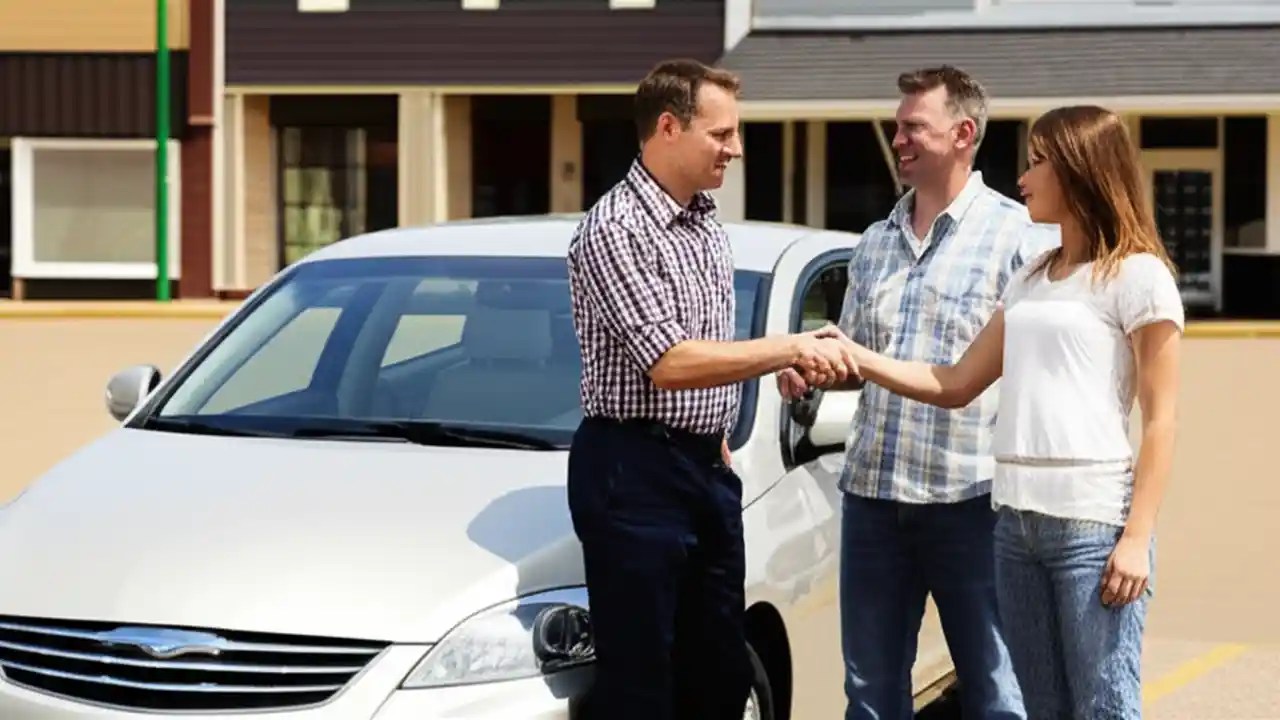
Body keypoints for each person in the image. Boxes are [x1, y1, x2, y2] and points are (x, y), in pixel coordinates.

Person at [813, 105, 1183, 719]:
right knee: (1041, 706)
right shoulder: (1032, 277)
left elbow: (1162, 419)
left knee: (1103, 707)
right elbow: (955, 381)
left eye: (1038, 163)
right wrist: (856, 357)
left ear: (1081, 171)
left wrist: (1136, 538)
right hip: (1015, 526)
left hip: (1091, 529)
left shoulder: (1139, 278)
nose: (1023, 177)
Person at [564, 58, 857, 720]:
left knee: (720, 675)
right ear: (669, 127)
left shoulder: (705, 222)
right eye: (721, 134)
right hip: (632, 473)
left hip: (703, 467)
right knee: (643, 683)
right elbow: (667, 360)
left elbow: (708, 347)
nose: (736, 147)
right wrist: (787, 346)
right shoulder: (615, 228)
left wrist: (721, 421)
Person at [778, 66, 1057, 719]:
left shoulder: (1021, 240)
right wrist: (819, 369)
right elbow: (863, 358)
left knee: (997, 693)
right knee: (872, 698)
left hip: (973, 503)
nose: (897, 138)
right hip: (874, 500)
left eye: (912, 127)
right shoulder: (874, 244)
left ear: (963, 134)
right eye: (897, 126)